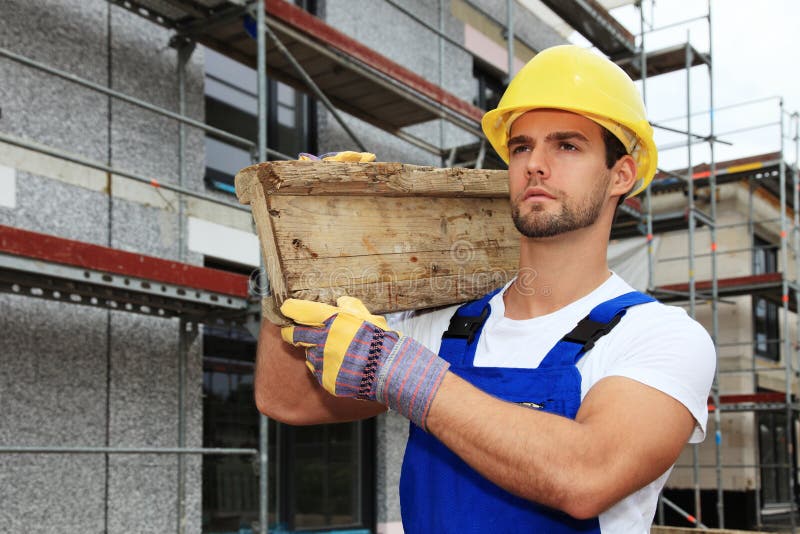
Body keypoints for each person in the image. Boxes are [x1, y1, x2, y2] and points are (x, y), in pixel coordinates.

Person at [254, 45, 716, 533]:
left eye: (567, 146)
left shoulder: (659, 337)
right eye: (522, 147)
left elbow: (586, 475)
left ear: (621, 174)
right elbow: (285, 400)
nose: (535, 164)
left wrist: (397, 371)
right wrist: (295, 246)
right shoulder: (447, 324)